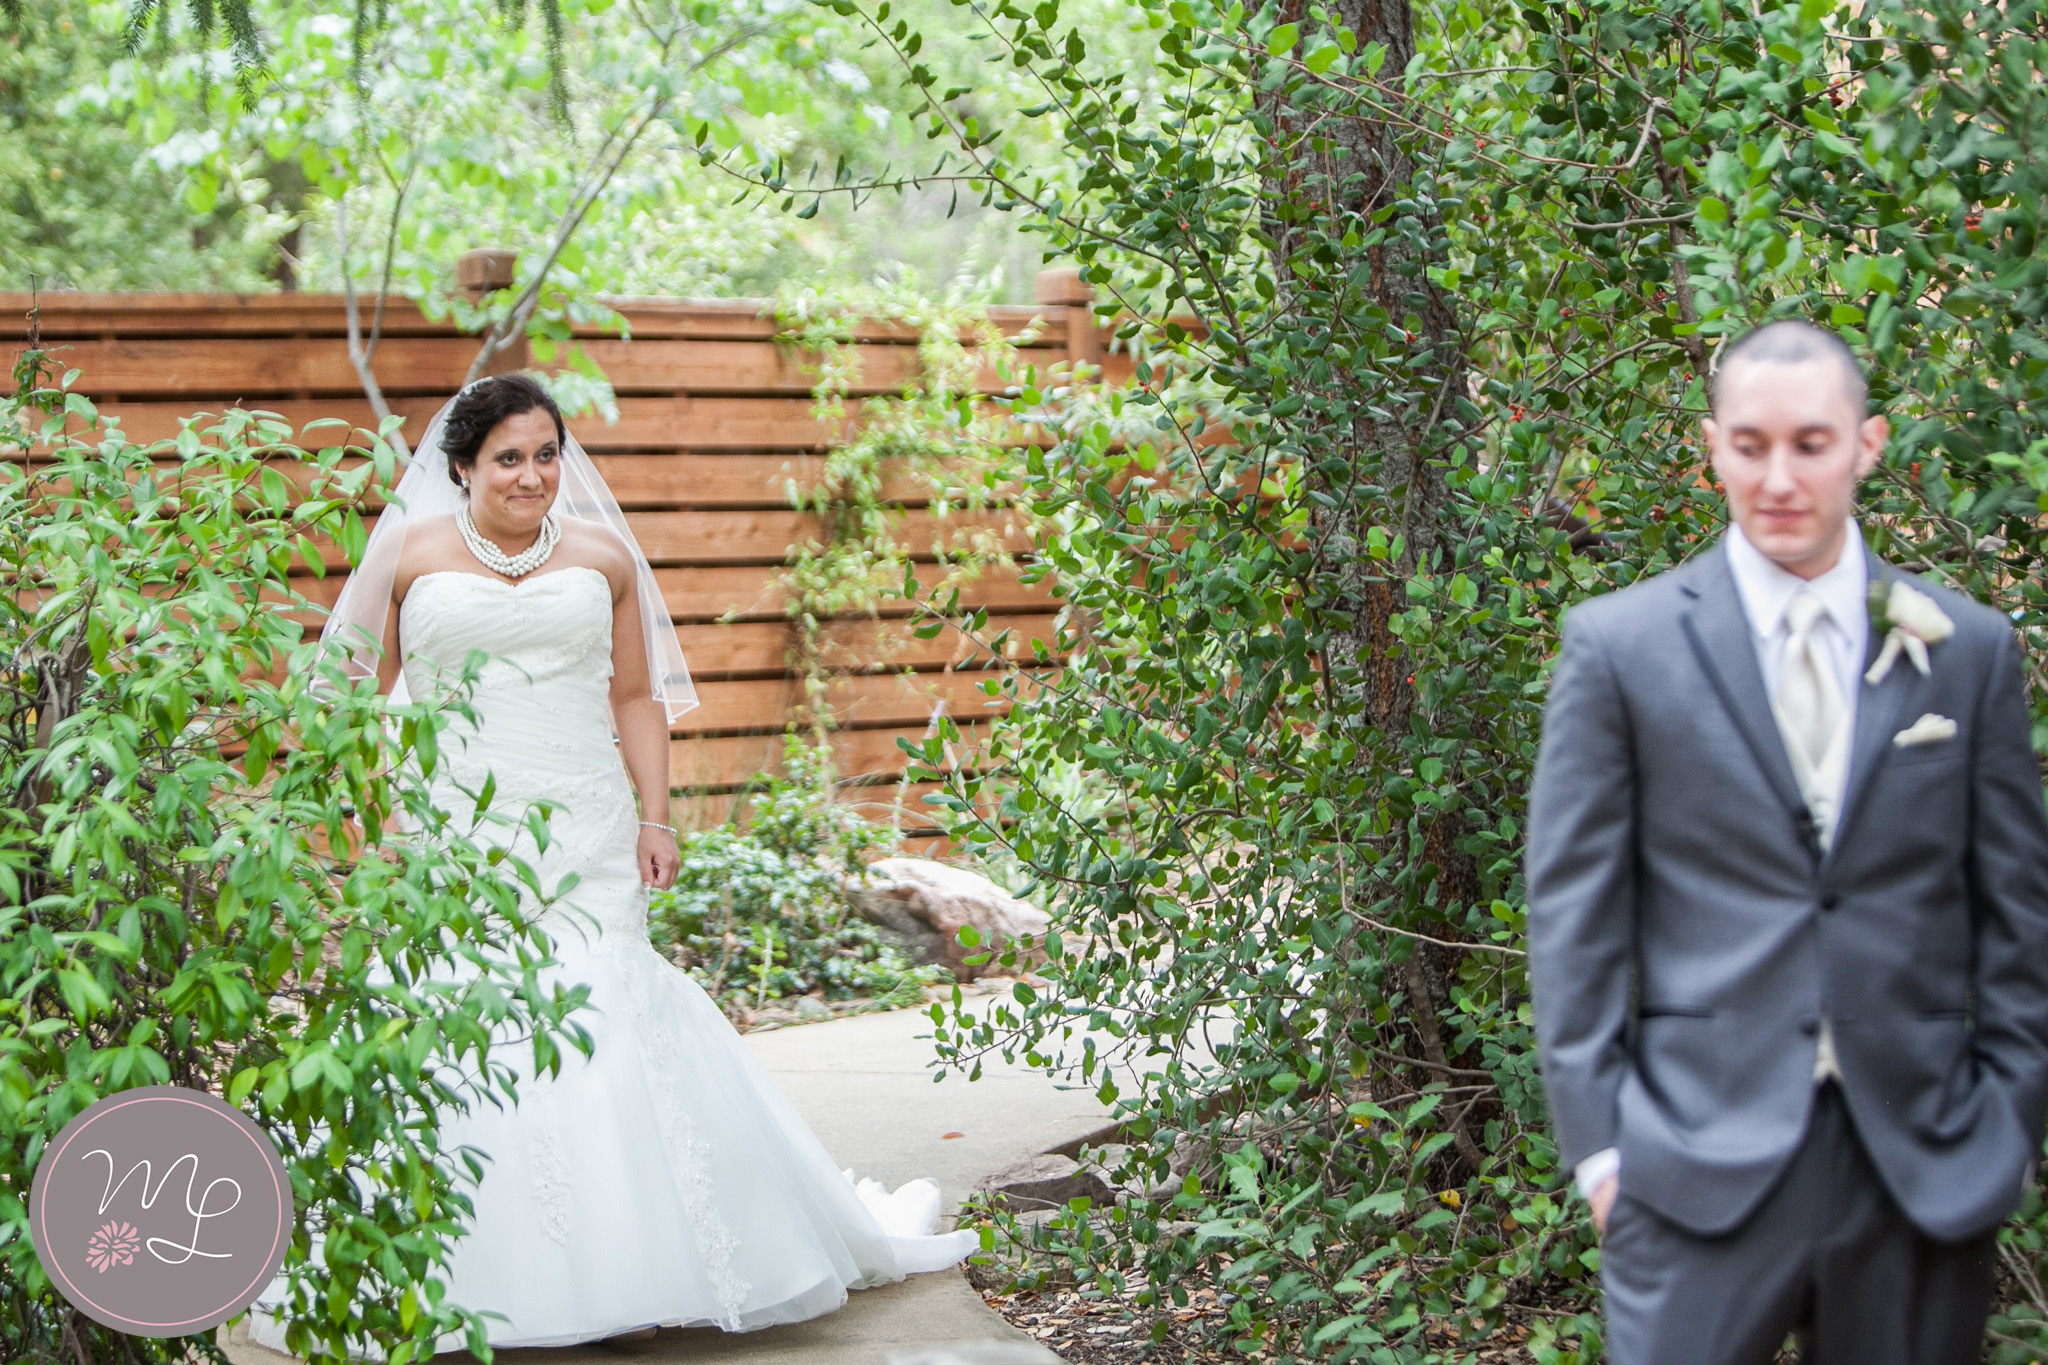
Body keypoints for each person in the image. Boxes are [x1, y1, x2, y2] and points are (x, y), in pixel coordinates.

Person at [244, 374, 976, 1357]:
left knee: (602, 1009)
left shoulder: (600, 557)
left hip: (583, 825)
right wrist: (372, 828)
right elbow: (352, 704)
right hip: (449, 833)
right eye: (509, 456)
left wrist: (656, 816)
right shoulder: (411, 557)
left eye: (547, 453)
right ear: (460, 466)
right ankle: (448, 1275)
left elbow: (634, 696)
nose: (532, 474)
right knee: (460, 1016)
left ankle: (641, 1263)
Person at [1526, 319, 2048, 1364]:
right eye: (1749, 444)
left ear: (1866, 444)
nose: (1776, 476)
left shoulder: (1966, 651)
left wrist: (2004, 1126)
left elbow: (2015, 915)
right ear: (1711, 448)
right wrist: (1599, 1156)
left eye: (1809, 443)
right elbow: (1572, 920)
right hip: (1686, 1162)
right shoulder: (1619, 649)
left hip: (1918, 1162)